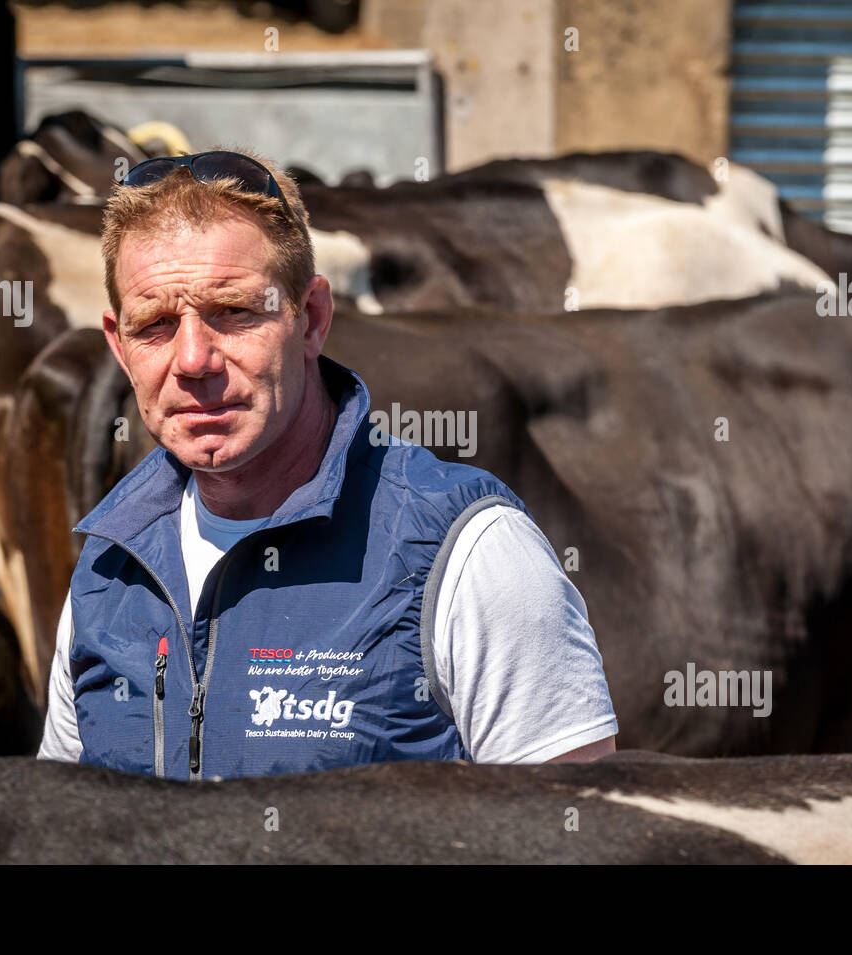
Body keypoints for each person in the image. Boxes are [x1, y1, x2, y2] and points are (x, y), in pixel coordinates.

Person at [37, 148, 617, 779]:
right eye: (154, 325)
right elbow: (65, 826)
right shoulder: (108, 565)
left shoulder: (466, 552)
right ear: (119, 348)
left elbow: (577, 830)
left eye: (232, 312)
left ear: (311, 319)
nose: (193, 360)